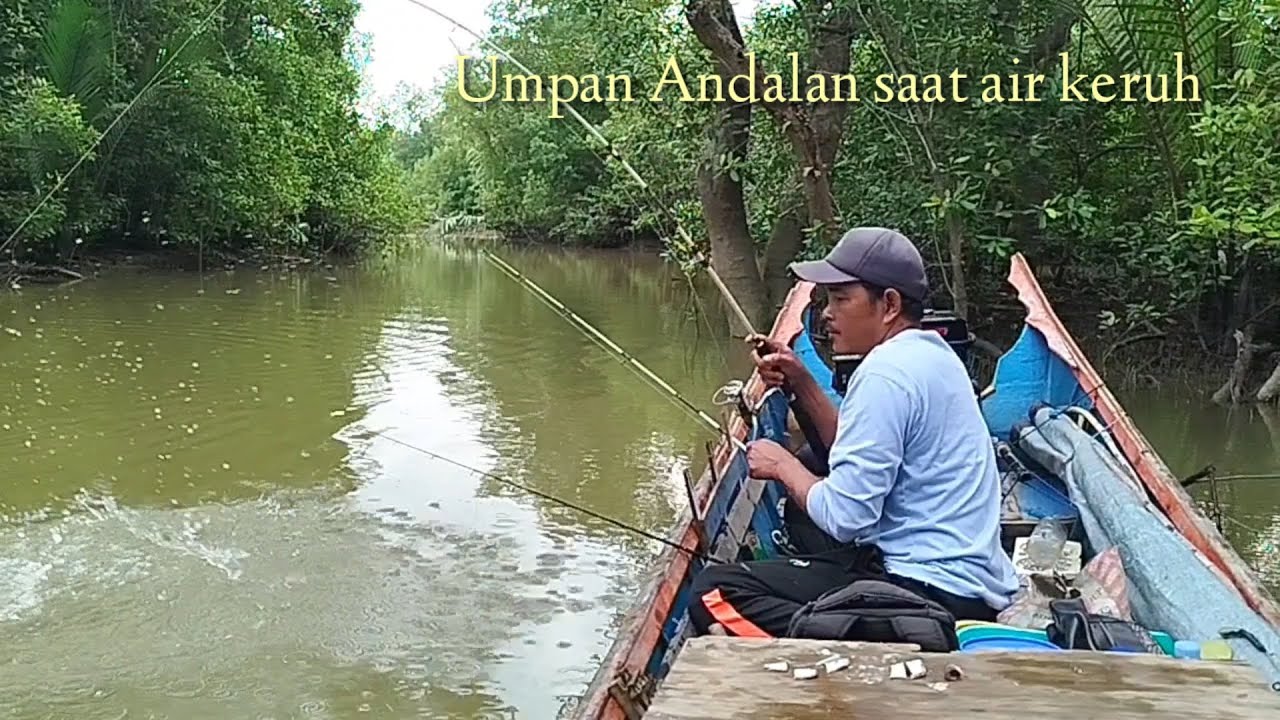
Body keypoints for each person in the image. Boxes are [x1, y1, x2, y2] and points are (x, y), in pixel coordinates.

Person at [688, 226, 1019, 640]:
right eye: (827, 299)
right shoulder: (933, 354)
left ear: (889, 304)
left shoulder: (883, 375)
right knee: (813, 474)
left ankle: (850, 639)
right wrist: (802, 381)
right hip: (969, 584)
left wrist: (781, 466)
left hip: (927, 593)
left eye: (842, 299)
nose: (827, 313)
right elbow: (850, 450)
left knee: (713, 590)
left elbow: (846, 518)